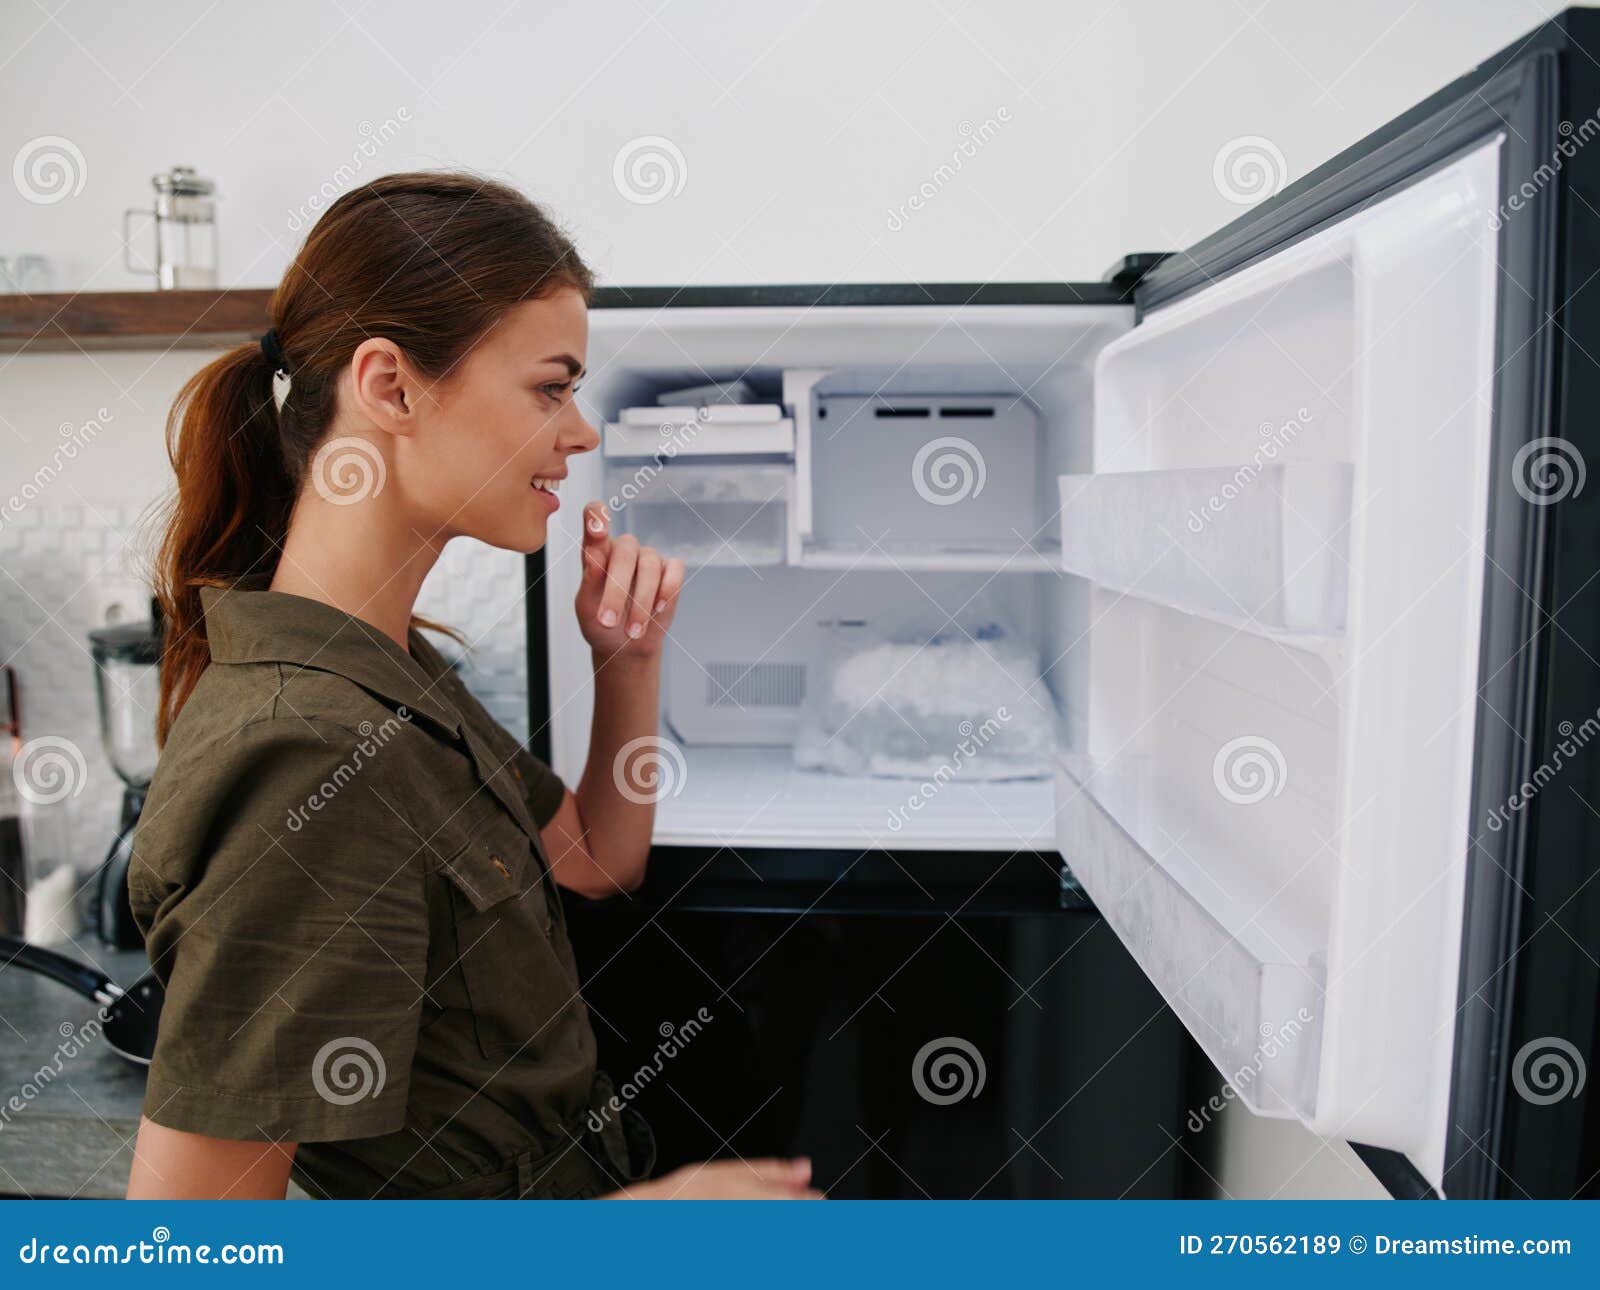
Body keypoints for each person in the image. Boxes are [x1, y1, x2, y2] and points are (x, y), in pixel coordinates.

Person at [123, 170, 820, 1201]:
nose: (580, 432)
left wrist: (628, 664)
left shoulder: (390, 668)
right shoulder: (308, 756)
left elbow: (592, 860)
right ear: (391, 387)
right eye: (551, 386)